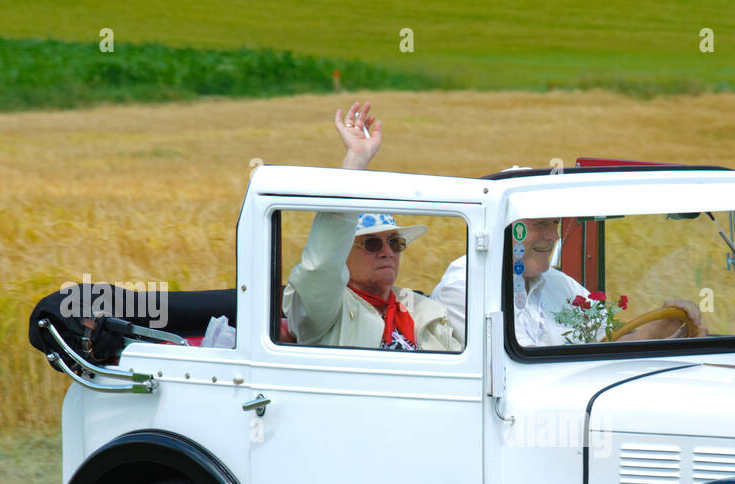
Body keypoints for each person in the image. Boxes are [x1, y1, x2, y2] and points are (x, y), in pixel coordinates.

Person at [282, 102, 460, 351]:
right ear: (343, 251)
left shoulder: (426, 311)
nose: (387, 252)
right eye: (372, 243)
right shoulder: (324, 311)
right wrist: (355, 161)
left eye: (395, 243)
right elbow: (321, 268)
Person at [433, 215, 706, 348]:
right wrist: (651, 333)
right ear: (500, 229)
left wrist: (672, 329)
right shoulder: (465, 286)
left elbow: (610, 338)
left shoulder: (557, 283)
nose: (552, 236)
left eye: (555, 223)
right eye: (540, 224)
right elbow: (526, 373)